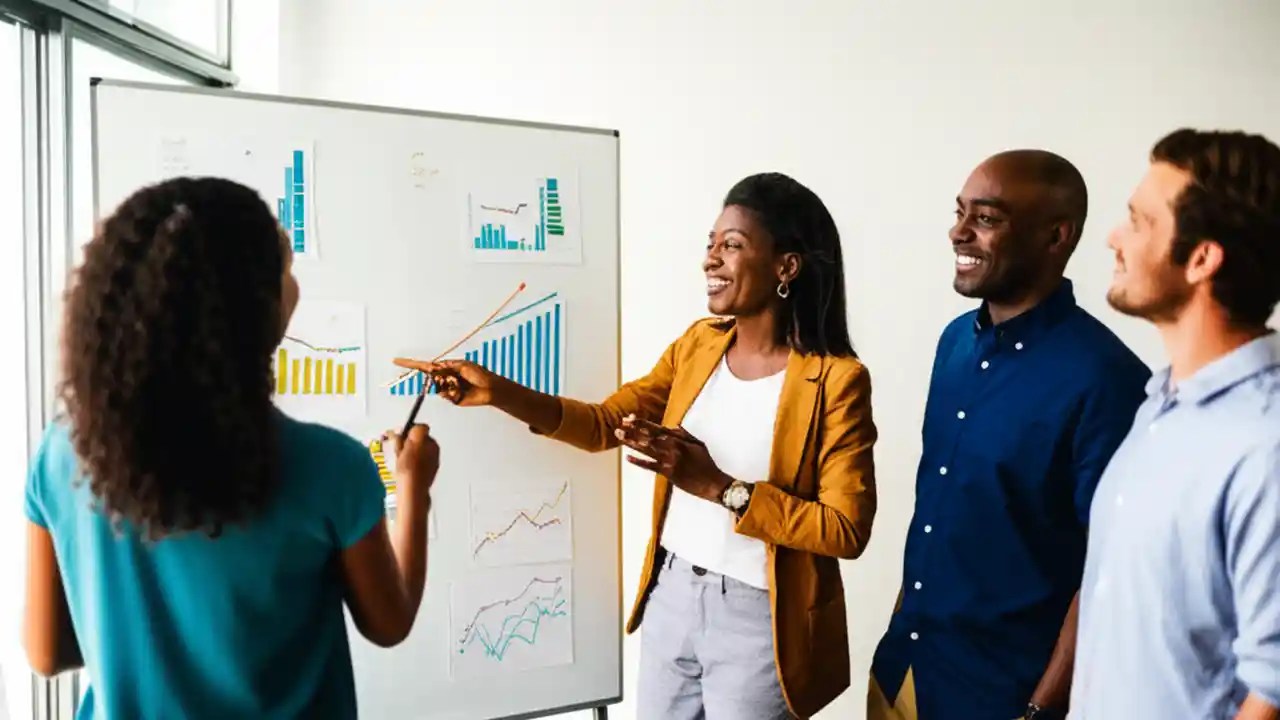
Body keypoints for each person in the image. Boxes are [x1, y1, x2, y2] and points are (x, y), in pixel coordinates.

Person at [397, 172, 877, 719]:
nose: (711, 259)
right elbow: (603, 423)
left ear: (785, 267)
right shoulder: (698, 345)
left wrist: (721, 489)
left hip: (759, 619)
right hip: (671, 598)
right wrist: (498, 392)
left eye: (733, 245)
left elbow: (845, 527)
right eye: (711, 244)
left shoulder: (836, 380)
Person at [23, 177, 440, 719]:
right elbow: (389, 622)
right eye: (285, 269)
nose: (295, 283)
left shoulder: (61, 454)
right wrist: (413, 490)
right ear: (253, 312)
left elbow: (47, 652)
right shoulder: (330, 466)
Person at [868, 151, 1150, 720]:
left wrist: (1040, 710)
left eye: (987, 218)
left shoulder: (1107, 380)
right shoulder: (953, 344)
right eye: (959, 212)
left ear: (1056, 236)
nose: (958, 231)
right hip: (903, 674)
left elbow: (1111, 574)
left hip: (999, 696)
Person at [1071, 129, 1280, 719]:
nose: (1113, 236)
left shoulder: (1265, 445)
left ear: (1202, 259)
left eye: (1137, 222)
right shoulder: (1158, 407)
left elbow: (1272, 694)